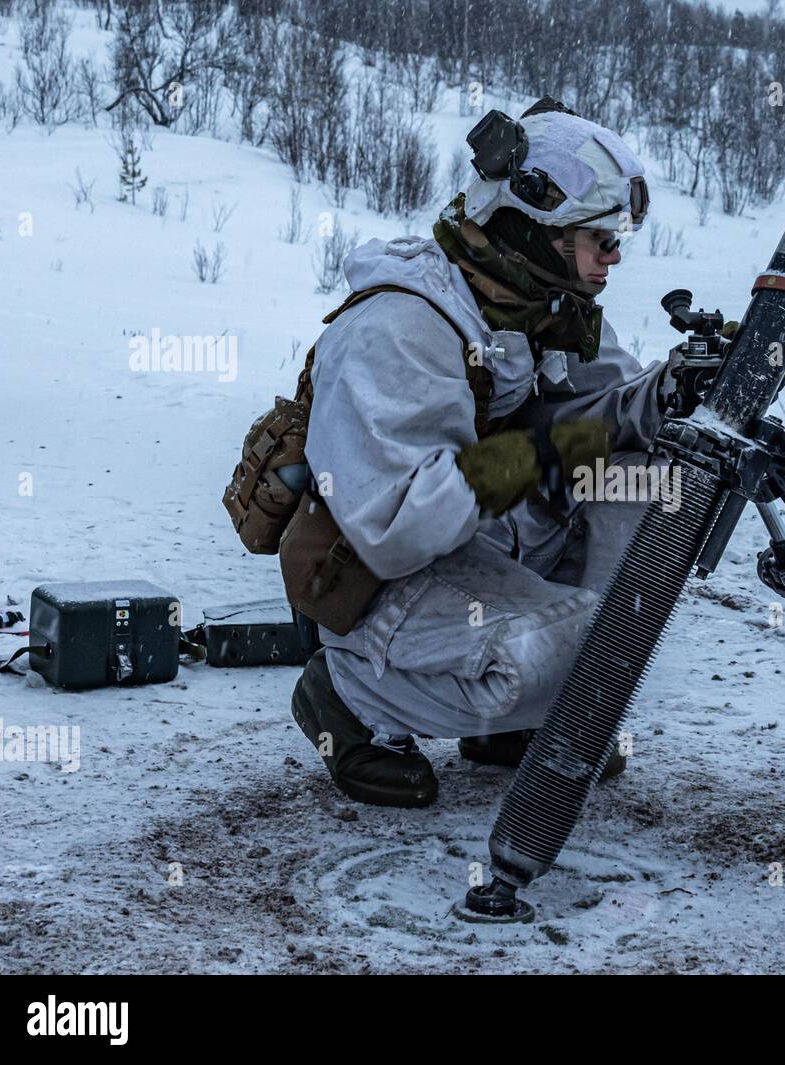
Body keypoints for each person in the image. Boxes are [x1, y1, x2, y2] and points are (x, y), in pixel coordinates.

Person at [288, 96, 673, 808]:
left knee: (651, 482)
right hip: (384, 581)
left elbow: (611, 416)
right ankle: (347, 694)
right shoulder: (399, 326)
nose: (614, 257)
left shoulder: (541, 306)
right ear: (531, 226)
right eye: (601, 238)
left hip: (482, 543)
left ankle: (510, 720)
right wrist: (547, 452)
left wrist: (677, 394)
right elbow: (400, 525)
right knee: (596, 650)